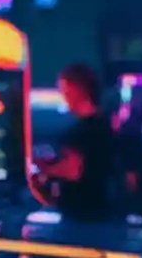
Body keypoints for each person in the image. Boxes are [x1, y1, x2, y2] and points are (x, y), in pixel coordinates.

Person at [37, 63, 116, 220]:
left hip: (81, 215)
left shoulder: (81, 131)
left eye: (64, 89)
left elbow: (74, 171)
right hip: (102, 211)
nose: (63, 95)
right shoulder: (106, 125)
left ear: (77, 89)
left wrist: (45, 169)